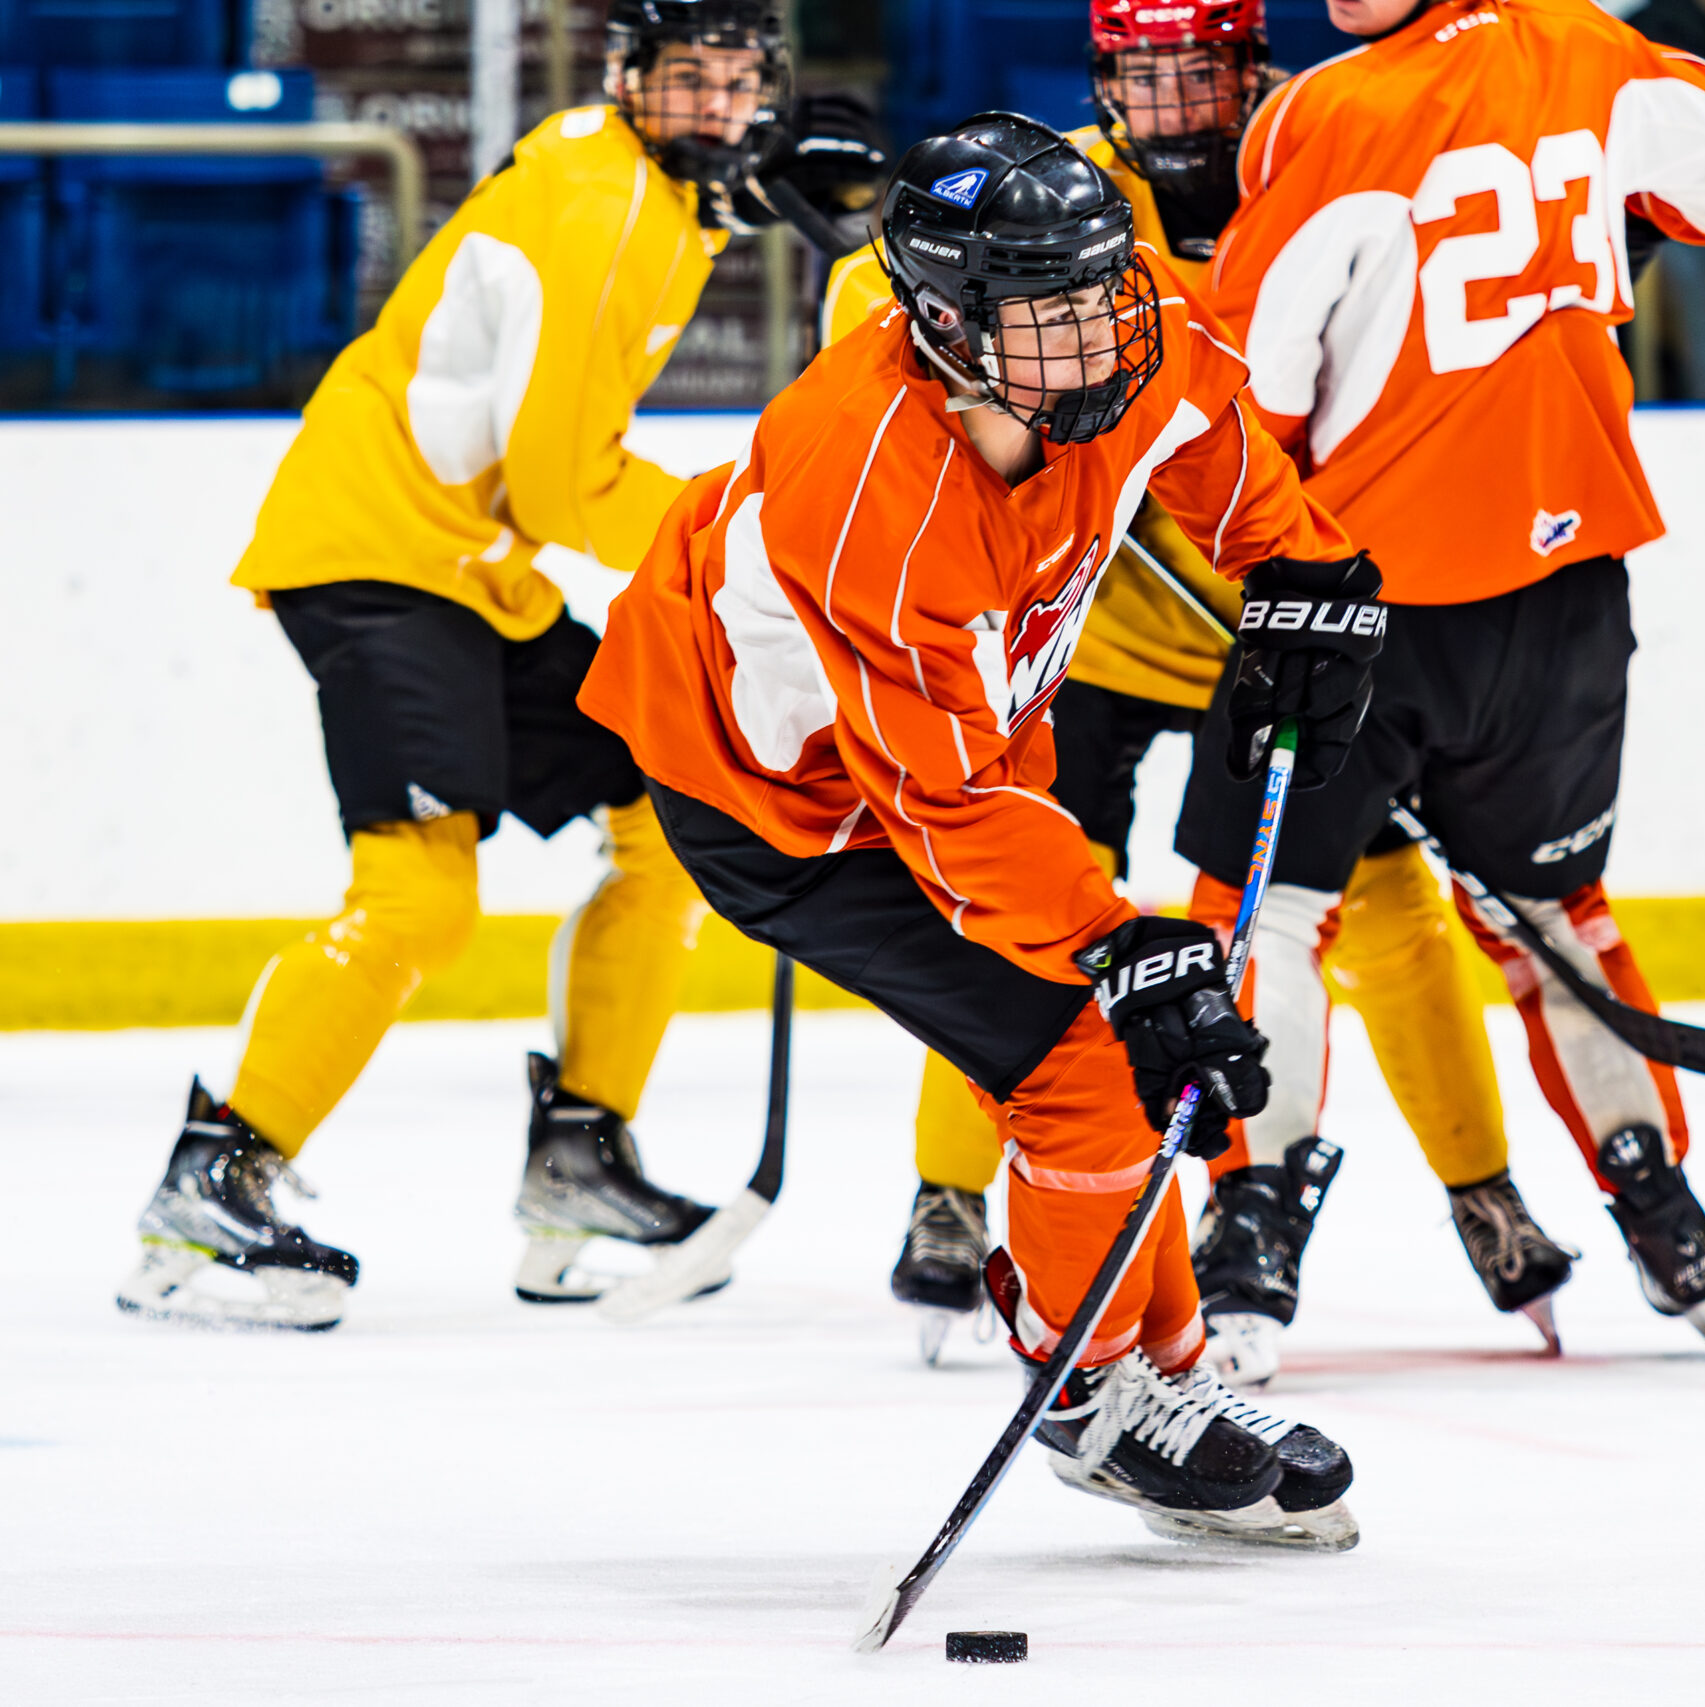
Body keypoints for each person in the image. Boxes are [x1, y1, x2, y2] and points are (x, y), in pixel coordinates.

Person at [579, 112, 1369, 1545]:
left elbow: (1215, 438)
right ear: (943, 322)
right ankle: (1088, 1397)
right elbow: (939, 806)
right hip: (783, 800)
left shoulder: (1124, 338)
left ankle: (1163, 1375)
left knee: (1117, 1040)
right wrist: (1120, 939)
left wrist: (1298, 569)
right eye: (1047, 310)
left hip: (954, 749)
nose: (1100, 333)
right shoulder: (869, 479)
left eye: (1099, 289)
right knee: (1085, 1051)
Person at [822, 0, 1577, 1371]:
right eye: (1140, 73)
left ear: (1247, 62)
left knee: (1384, 911)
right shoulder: (1059, 194)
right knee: (1026, 903)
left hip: (1281, 613)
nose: (1169, 102)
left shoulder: (1335, 154)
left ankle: (1475, 1190)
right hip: (1108, 634)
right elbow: (907, 344)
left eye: (1198, 69)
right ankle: (947, 1190)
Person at [111, 0, 885, 1331]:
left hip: (470, 572)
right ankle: (216, 1171)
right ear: (625, 76)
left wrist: (742, 199)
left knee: (657, 801)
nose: (712, 105)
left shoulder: (637, 179)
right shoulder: (605, 204)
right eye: (685, 79)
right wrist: (752, 550)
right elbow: (562, 483)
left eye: (737, 83)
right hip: (379, 552)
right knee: (417, 897)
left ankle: (580, 1152)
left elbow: (588, 357)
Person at [1168, 0, 1705, 1377]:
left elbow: (1236, 397)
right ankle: (1661, 1207)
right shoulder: (1592, 51)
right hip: (1566, 590)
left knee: (1264, 913)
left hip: (1354, 600)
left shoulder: (1322, 113)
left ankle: (1249, 1228)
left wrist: (1258, 544)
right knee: (1554, 913)